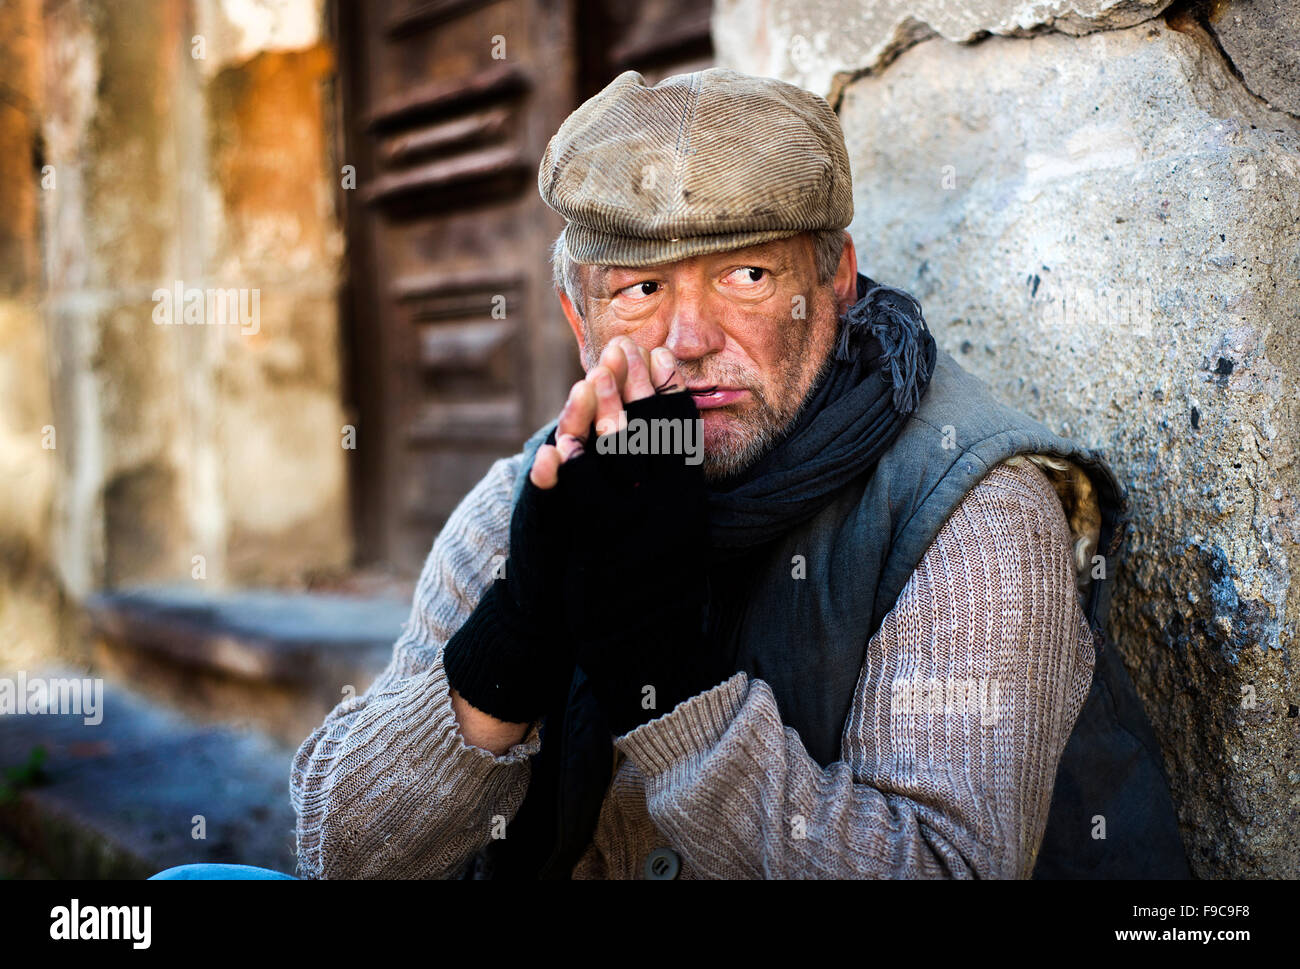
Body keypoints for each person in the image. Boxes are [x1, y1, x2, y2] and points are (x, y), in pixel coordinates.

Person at [157, 67, 1187, 880]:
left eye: (747, 276)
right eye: (642, 288)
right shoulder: (552, 487)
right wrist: (510, 645)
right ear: (578, 320)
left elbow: (942, 868)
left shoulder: (969, 506)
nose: (691, 338)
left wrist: (673, 691)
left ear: (833, 279)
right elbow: (343, 855)